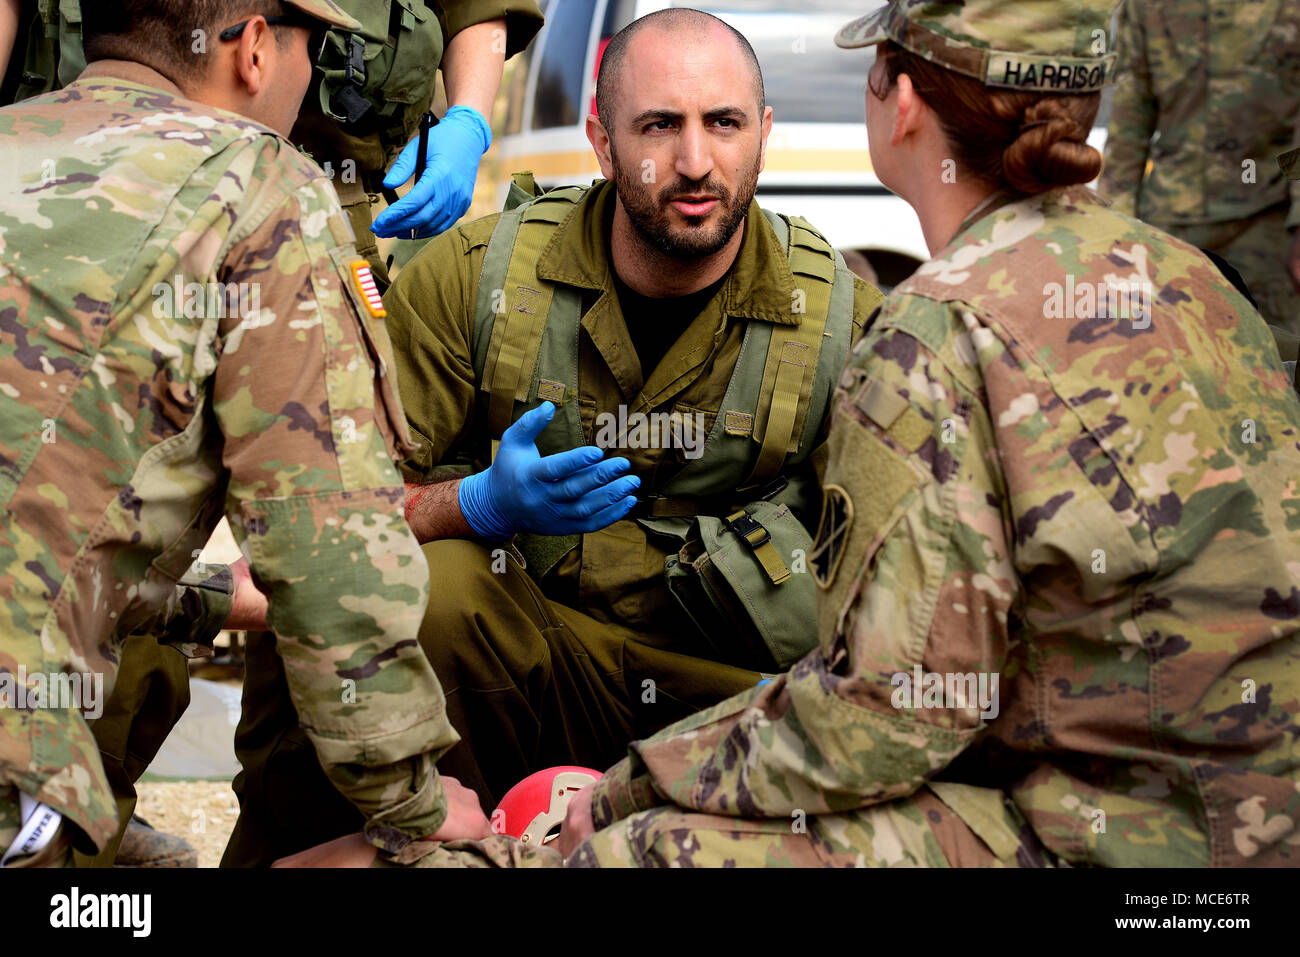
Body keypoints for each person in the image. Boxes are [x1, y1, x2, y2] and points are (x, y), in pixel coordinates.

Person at [545, 0, 1300, 868]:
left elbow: (885, 716)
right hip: (1250, 818)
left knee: (637, 853)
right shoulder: (1195, 280)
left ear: (900, 105)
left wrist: (627, 788)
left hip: (1142, 853)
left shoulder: (933, 335)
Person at [226, 6, 885, 866]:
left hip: (725, 700)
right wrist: (472, 505)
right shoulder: (477, 278)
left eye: (723, 124)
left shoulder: (842, 323)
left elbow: (901, 597)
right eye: (659, 126)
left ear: (763, 134)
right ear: (602, 143)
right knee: (406, 586)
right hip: (526, 668)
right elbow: (328, 516)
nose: (695, 162)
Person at [0, 0, 543, 868]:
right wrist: (410, 798)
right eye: (314, 50)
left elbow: (44, 537)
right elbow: (327, 551)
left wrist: (214, 602)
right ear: (256, 48)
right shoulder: (262, 189)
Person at [1099, 0, 1300, 334]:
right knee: (1166, 357)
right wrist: (1112, 229)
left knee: (1277, 364)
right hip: (1169, 226)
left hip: (1269, 226)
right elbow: (1130, 116)